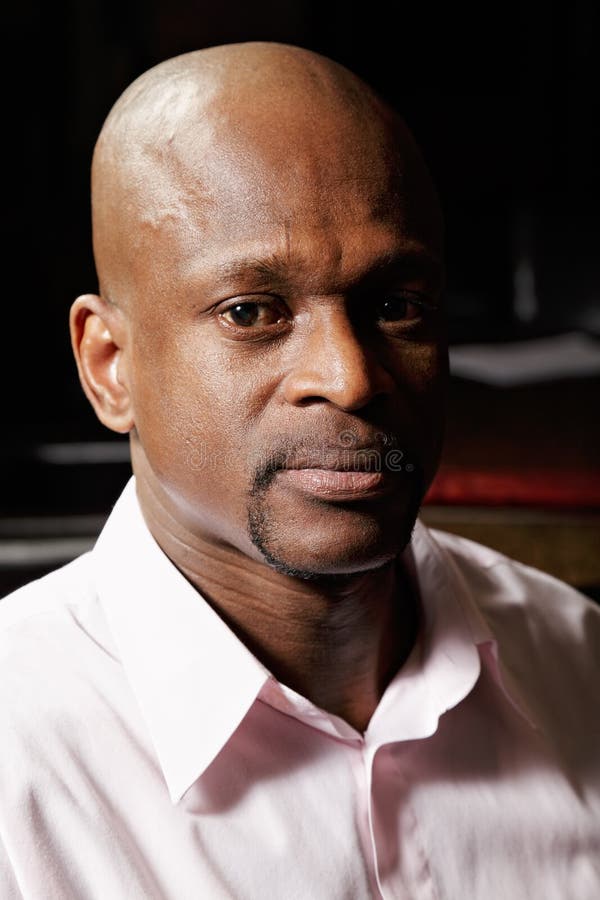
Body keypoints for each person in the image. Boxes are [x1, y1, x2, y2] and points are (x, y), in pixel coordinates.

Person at [0, 41, 598, 900]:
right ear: (109, 366)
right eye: (252, 312)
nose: (351, 376)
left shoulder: (577, 665)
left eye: (396, 305)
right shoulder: (17, 761)